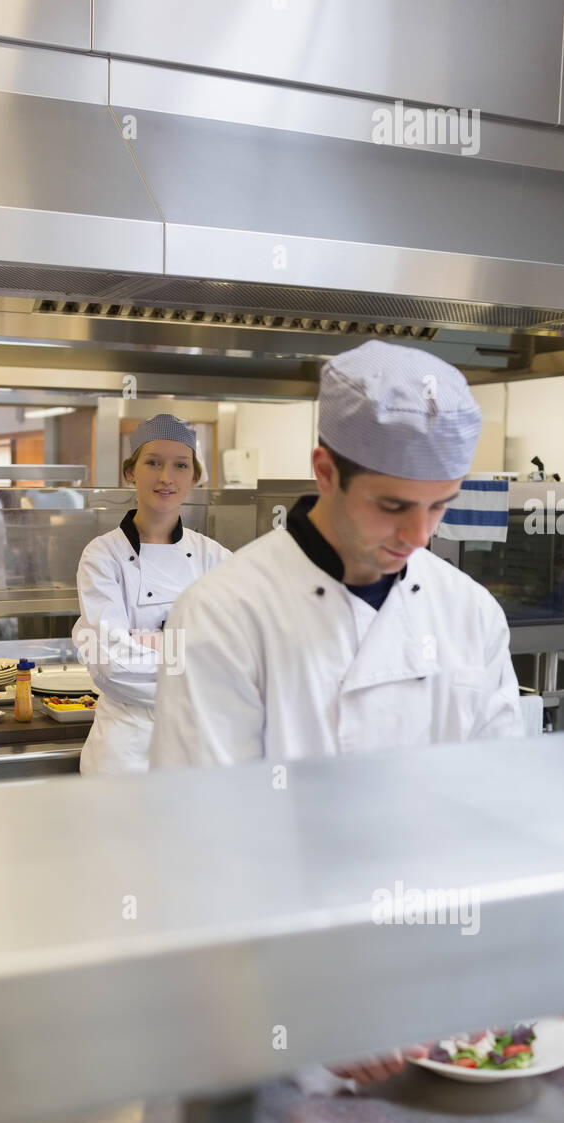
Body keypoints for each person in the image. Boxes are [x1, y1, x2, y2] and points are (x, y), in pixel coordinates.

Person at [149, 341, 524, 1085]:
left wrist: (497, 969)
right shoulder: (226, 613)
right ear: (325, 470)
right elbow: (200, 846)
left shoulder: (469, 614)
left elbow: (499, 815)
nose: (419, 537)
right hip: (271, 1024)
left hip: (442, 1009)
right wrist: (306, 1007)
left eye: (439, 506)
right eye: (392, 506)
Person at [72, 414, 230, 774]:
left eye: (180, 465)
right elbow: (112, 666)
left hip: (197, 754)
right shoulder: (102, 556)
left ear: (194, 476)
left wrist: (150, 643)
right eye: (153, 462)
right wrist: (198, 658)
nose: (165, 477)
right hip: (124, 755)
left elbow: (247, 655)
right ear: (131, 471)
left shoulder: (215, 558)